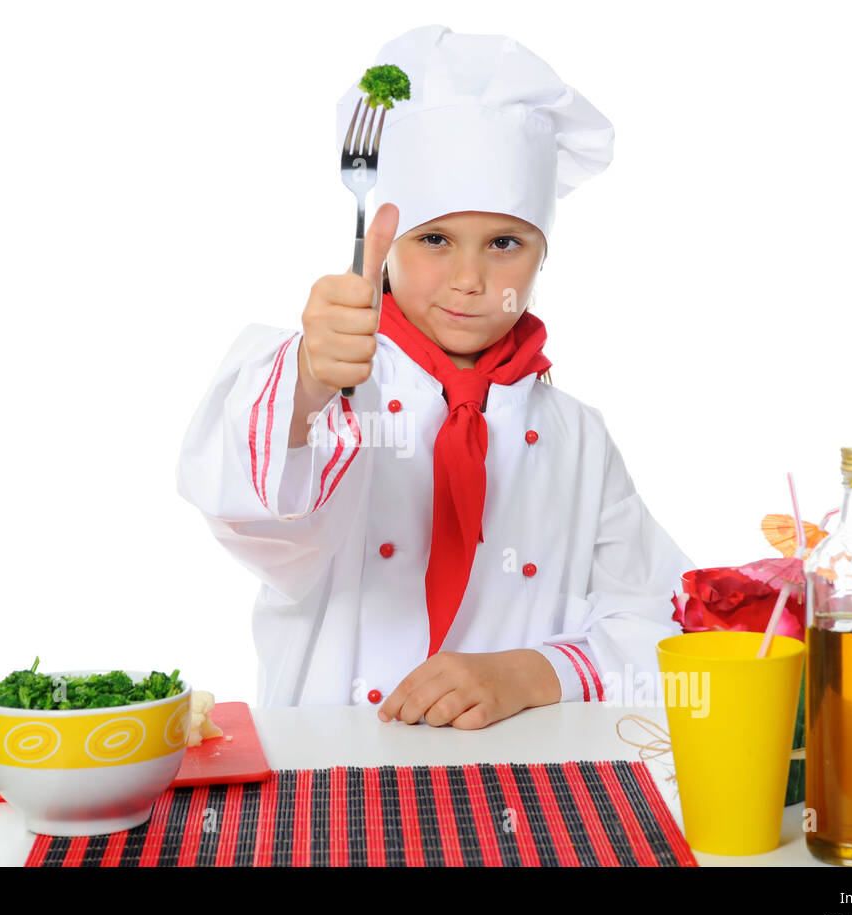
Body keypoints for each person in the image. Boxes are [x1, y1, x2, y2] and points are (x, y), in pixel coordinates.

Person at [176, 25, 695, 728]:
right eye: (436, 240)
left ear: (544, 254)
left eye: (505, 244)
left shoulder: (578, 436)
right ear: (385, 246)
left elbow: (664, 623)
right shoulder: (332, 381)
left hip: (519, 779)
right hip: (333, 769)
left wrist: (534, 671)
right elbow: (245, 507)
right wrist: (306, 379)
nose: (470, 280)